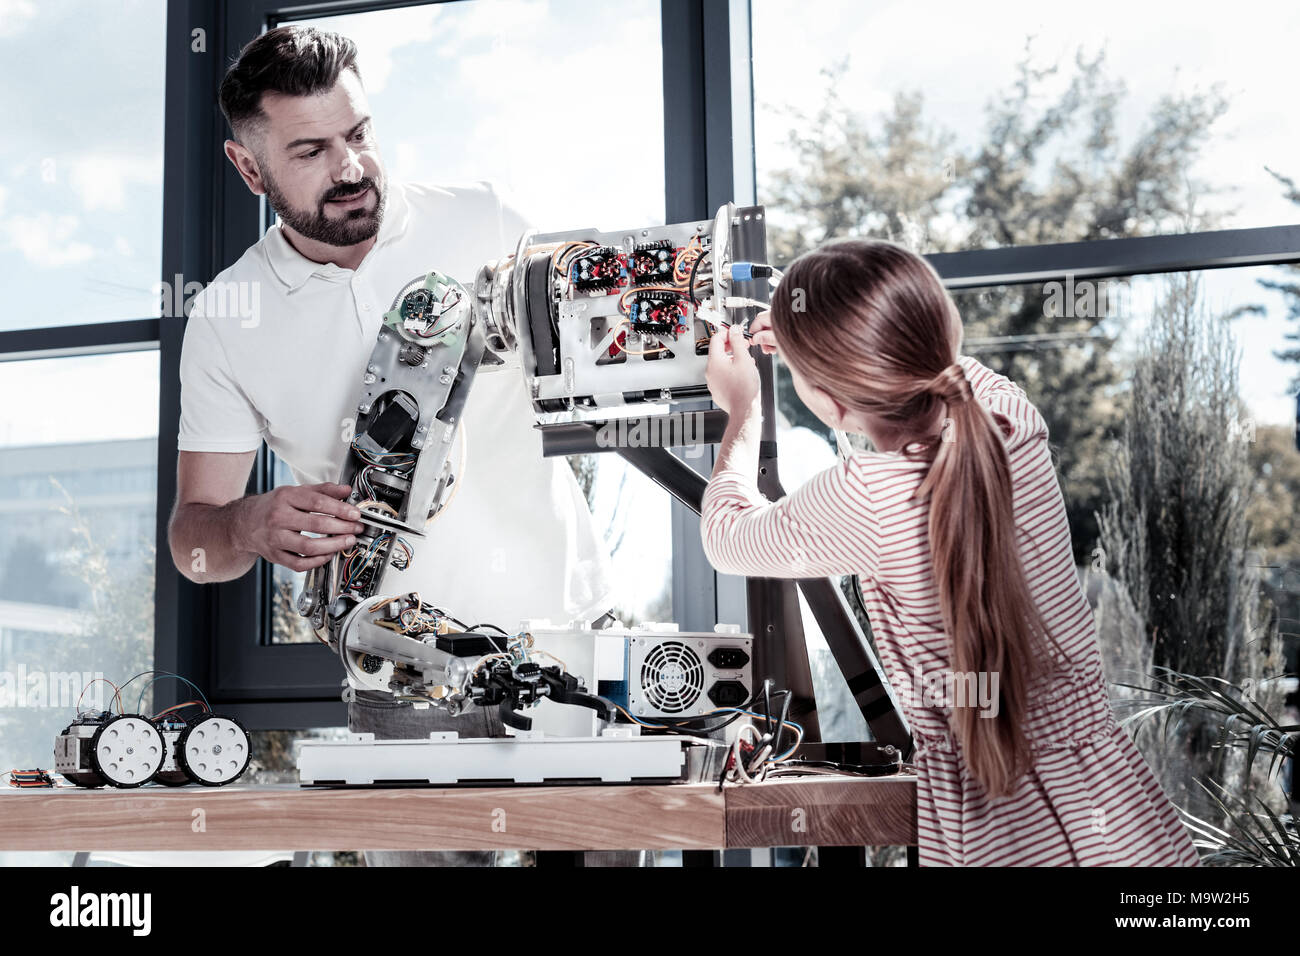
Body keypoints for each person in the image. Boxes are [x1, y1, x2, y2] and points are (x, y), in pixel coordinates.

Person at [168, 25, 616, 866]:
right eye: (310, 150)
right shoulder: (228, 317)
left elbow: (611, 359)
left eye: (360, 133)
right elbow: (194, 542)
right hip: (399, 683)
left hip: (569, 646)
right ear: (248, 168)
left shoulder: (487, 220)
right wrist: (248, 525)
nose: (350, 167)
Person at [699, 238, 1201, 866]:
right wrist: (822, 334)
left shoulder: (869, 496)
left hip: (1001, 833)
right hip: (1116, 814)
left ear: (831, 401)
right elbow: (933, 354)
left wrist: (742, 408)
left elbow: (728, 534)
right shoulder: (1012, 420)